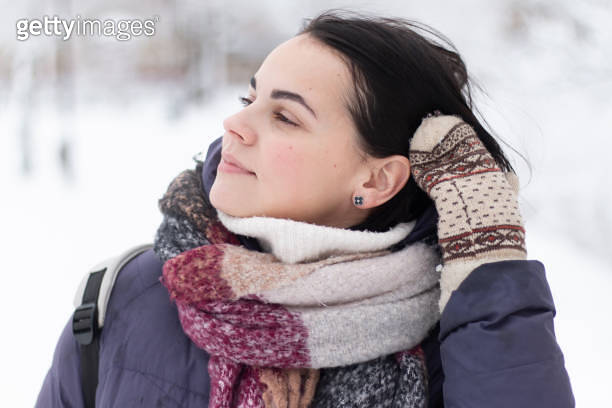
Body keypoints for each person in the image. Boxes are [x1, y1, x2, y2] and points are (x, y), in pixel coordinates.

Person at [36, 10, 575, 408]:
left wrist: (488, 255)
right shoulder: (127, 298)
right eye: (251, 99)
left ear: (377, 178)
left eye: (286, 117)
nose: (234, 125)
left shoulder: (455, 342)